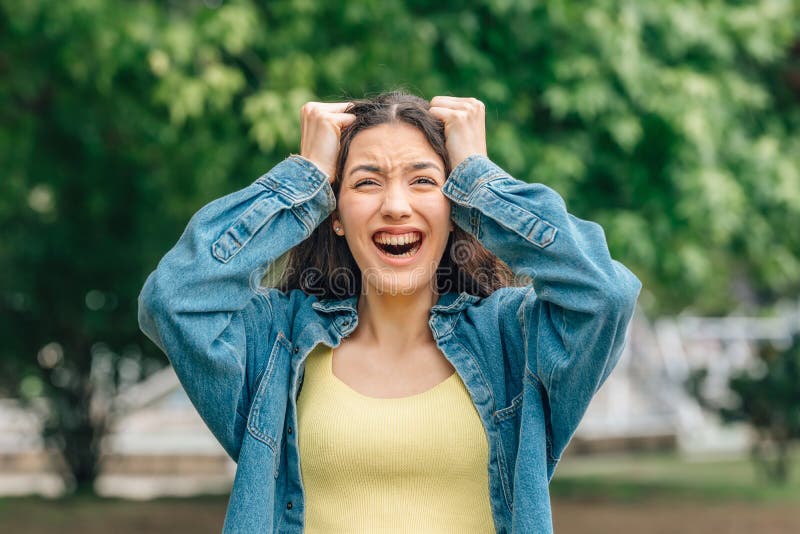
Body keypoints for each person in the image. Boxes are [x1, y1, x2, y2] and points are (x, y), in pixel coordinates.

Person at [138, 91, 641, 533]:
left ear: (454, 208)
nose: (396, 205)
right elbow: (175, 299)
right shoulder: (276, 341)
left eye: (423, 182)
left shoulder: (513, 339)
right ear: (333, 214)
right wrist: (302, 180)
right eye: (366, 183)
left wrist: (482, 185)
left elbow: (605, 296)